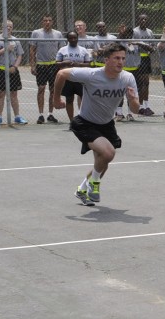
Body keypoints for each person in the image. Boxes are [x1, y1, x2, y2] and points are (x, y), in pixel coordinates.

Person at [52, 42, 139, 205]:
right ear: (106, 60)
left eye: (123, 58)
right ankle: (95, 184)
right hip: (85, 123)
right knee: (108, 153)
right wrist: (56, 98)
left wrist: (133, 99)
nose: (120, 62)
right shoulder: (92, 75)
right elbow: (61, 73)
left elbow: (135, 109)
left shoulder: (128, 78)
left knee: (103, 162)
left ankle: (83, 189)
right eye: (116, 58)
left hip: (107, 124)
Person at [29, 16, 65, 124]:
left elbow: (61, 50)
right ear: (42, 22)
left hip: (54, 65)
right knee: (41, 88)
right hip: (41, 65)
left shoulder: (58, 34)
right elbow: (32, 50)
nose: (47, 22)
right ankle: (41, 115)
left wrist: (61, 66)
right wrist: (33, 65)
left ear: (52, 22)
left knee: (53, 90)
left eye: (49, 20)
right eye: (45, 20)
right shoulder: (36, 33)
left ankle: (50, 114)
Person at [55, 31, 93, 121]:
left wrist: (78, 64)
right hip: (68, 79)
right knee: (69, 100)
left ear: (77, 38)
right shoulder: (62, 50)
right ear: (67, 39)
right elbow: (57, 64)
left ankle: (84, 119)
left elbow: (89, 64)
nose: (73, 40)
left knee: (84, 100)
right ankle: (72, 121)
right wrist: (65, 63)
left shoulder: (83, 50)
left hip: (81, 78)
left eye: (74, 38)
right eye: (71, 38)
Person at [0, 20, 29, 125]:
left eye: (10, 26)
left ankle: (17, 117)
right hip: (0, 69)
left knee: (14, 94)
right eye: (6, 26)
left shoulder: (16, 40)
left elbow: (20, 55)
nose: (8, 28)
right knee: (0, 94)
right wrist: (5, 49)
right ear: (2, 27)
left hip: (12, 70)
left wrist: (15, 67)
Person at [131, 14, 156, 116]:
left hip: (146, 58)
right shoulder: (134, 31)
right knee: (140, 83)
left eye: (145, 19)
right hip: (138, 58)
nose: (144, 21)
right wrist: (144, 46)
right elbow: (132, 44)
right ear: (138, 20)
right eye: (142, 19)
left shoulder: (149, 32)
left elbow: (153, 46)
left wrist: (150, 49)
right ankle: (140, 106)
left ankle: (147, 106)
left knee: (146, 82)